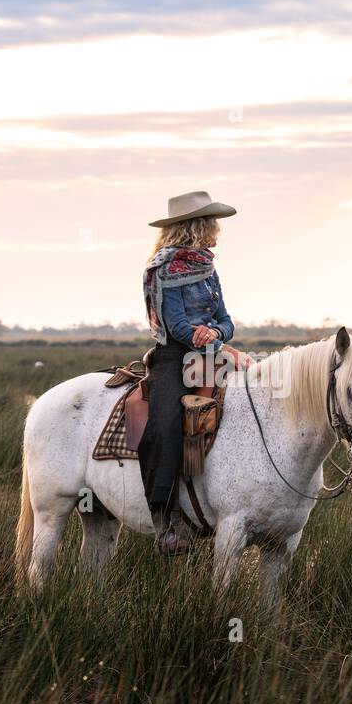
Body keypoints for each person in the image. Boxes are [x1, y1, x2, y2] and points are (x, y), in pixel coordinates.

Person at [140, 191, 237, 555]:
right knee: (164, 424)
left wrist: (217, 334)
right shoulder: (162, 270)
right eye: (211, 223)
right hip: (174, 357)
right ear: (196, 226)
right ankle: (163, 518)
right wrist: (203, 338)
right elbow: (176, 323)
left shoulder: (208, 268)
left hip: (211, 351)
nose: (216, 230)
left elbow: (227, 320)